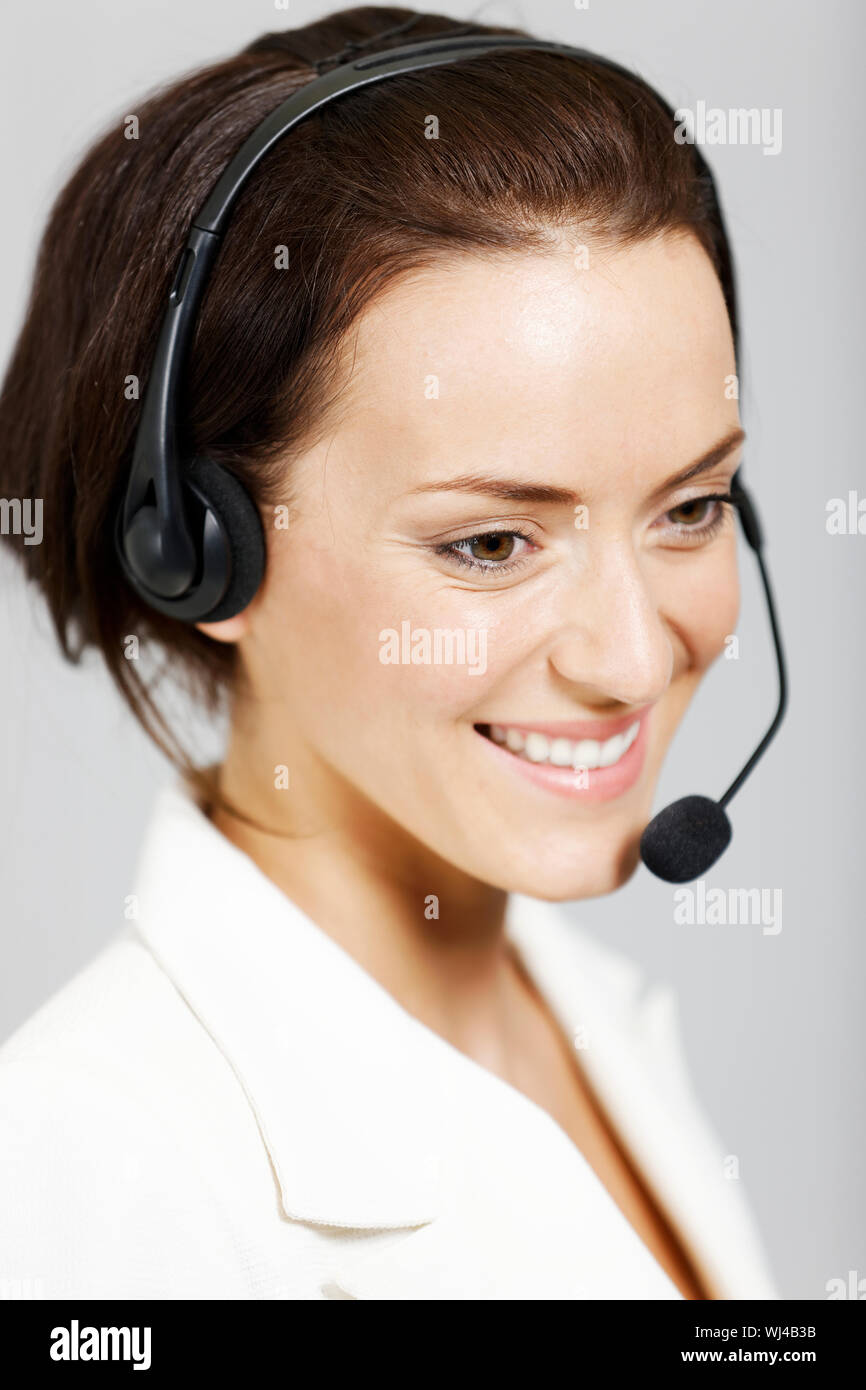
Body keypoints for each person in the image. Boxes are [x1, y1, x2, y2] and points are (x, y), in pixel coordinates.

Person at [0, 6, 779, 1300]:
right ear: (194, 550)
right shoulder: (97, 1185)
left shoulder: (579, 1006)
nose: (633, 659)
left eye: (688, 509)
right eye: (488, 543)